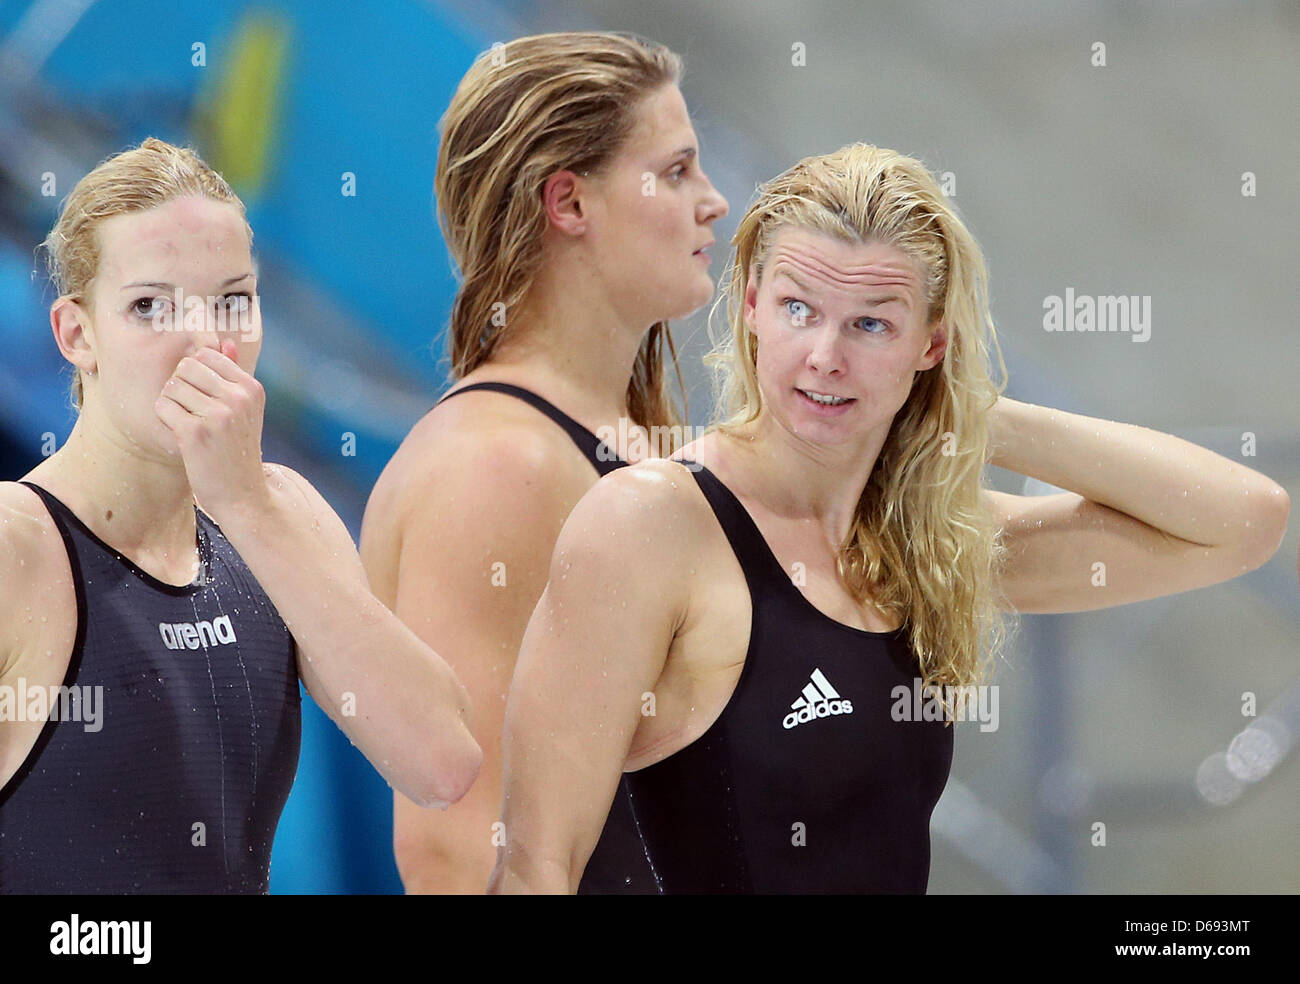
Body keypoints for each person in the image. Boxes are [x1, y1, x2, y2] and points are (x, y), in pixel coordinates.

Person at [490, 142, 1291, 894]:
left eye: (872, 323)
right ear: (752, 310)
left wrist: (975, 414)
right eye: (799, 309)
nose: (826, 356)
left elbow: (1245, 520)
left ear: (931, 344)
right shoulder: (653, 525)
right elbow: (534, 865)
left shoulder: (929, 538)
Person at [0, 138, 481, 893]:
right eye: (151, 306)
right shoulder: (15, 546)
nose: (206, 341)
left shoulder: (280, 514)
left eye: (233, 300)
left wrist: (244, 505)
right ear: (76, 334)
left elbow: (443, 763)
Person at [360, 31, 729, 893]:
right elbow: (457, 849)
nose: (712, 202)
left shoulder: (623, 440)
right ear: (568, 204)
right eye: (675, 171)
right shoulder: (501, 466)